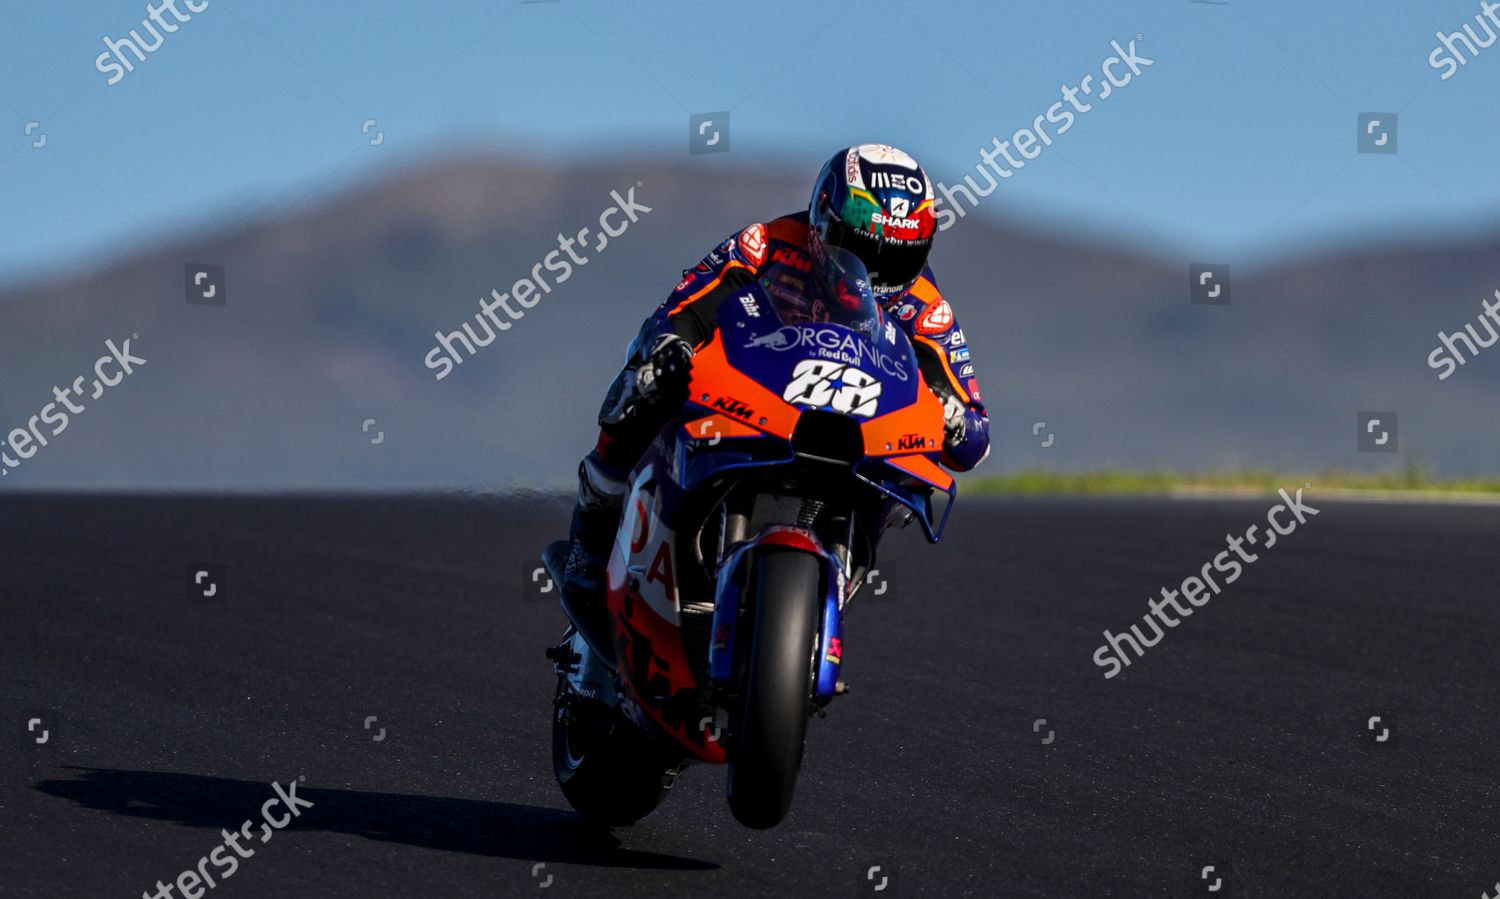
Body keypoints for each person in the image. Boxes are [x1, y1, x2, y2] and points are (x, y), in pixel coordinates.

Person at [563, 144, 990, 603]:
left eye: (900, 257)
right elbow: (679, 311)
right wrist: (673, 347)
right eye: (861, 250)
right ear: (824, 220)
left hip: (856, 430)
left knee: (908, 483)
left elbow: (974, 439)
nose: (875, 272)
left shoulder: (925, 307)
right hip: (754, 398)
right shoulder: (766, 243)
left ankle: (818, 605)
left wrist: (953, 418)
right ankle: (592, 534)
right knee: (645, 377)